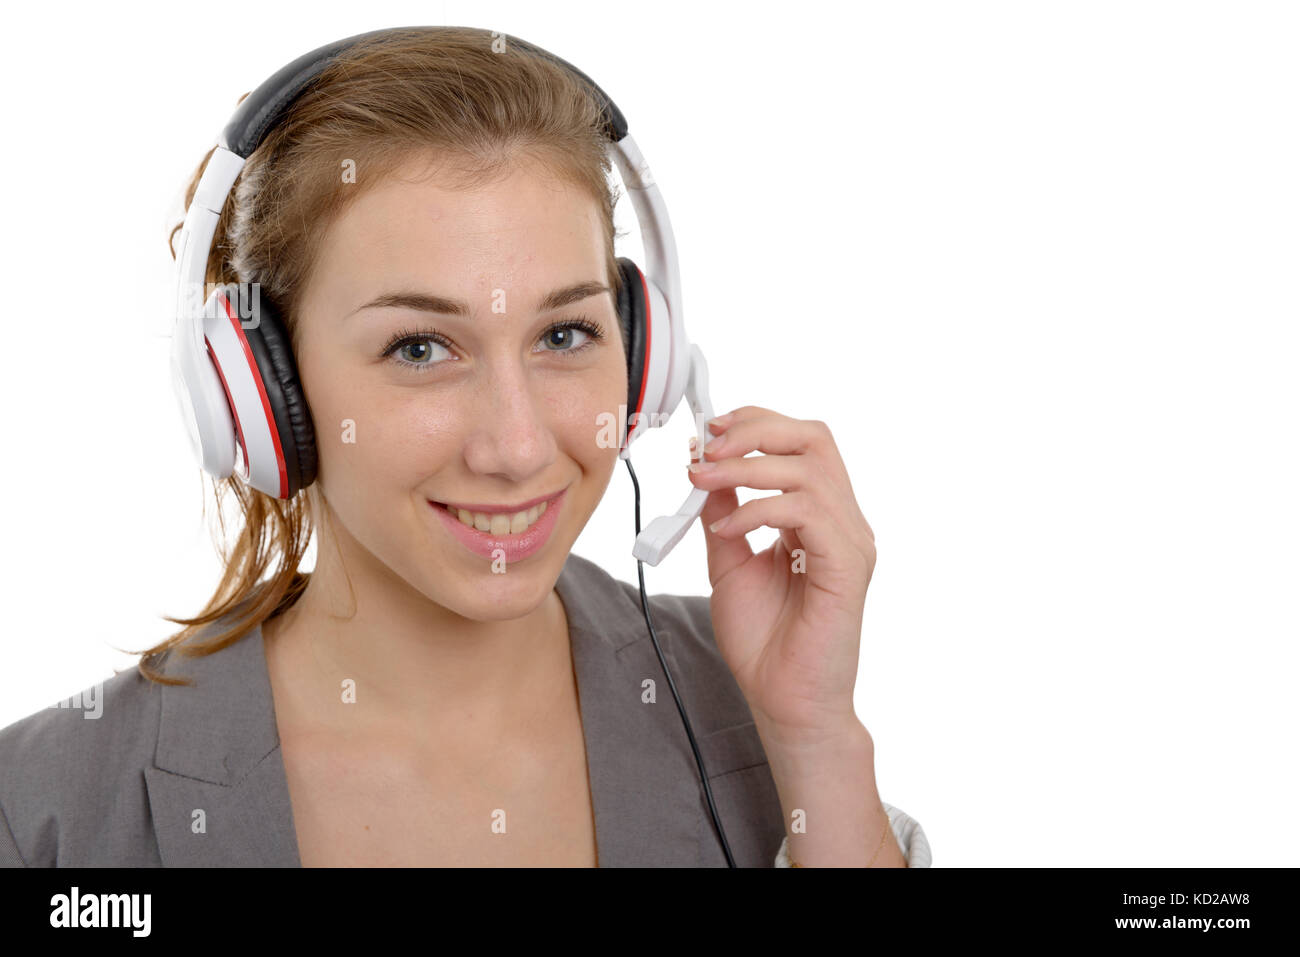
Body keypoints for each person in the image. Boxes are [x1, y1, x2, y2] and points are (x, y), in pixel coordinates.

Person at [0, 26, 930, 868]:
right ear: (256, 390)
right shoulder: (41, 813)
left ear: (646, 354)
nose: (518, 446)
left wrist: (814, 742)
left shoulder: (760, 701)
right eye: (419, 348)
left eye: (564, 335)